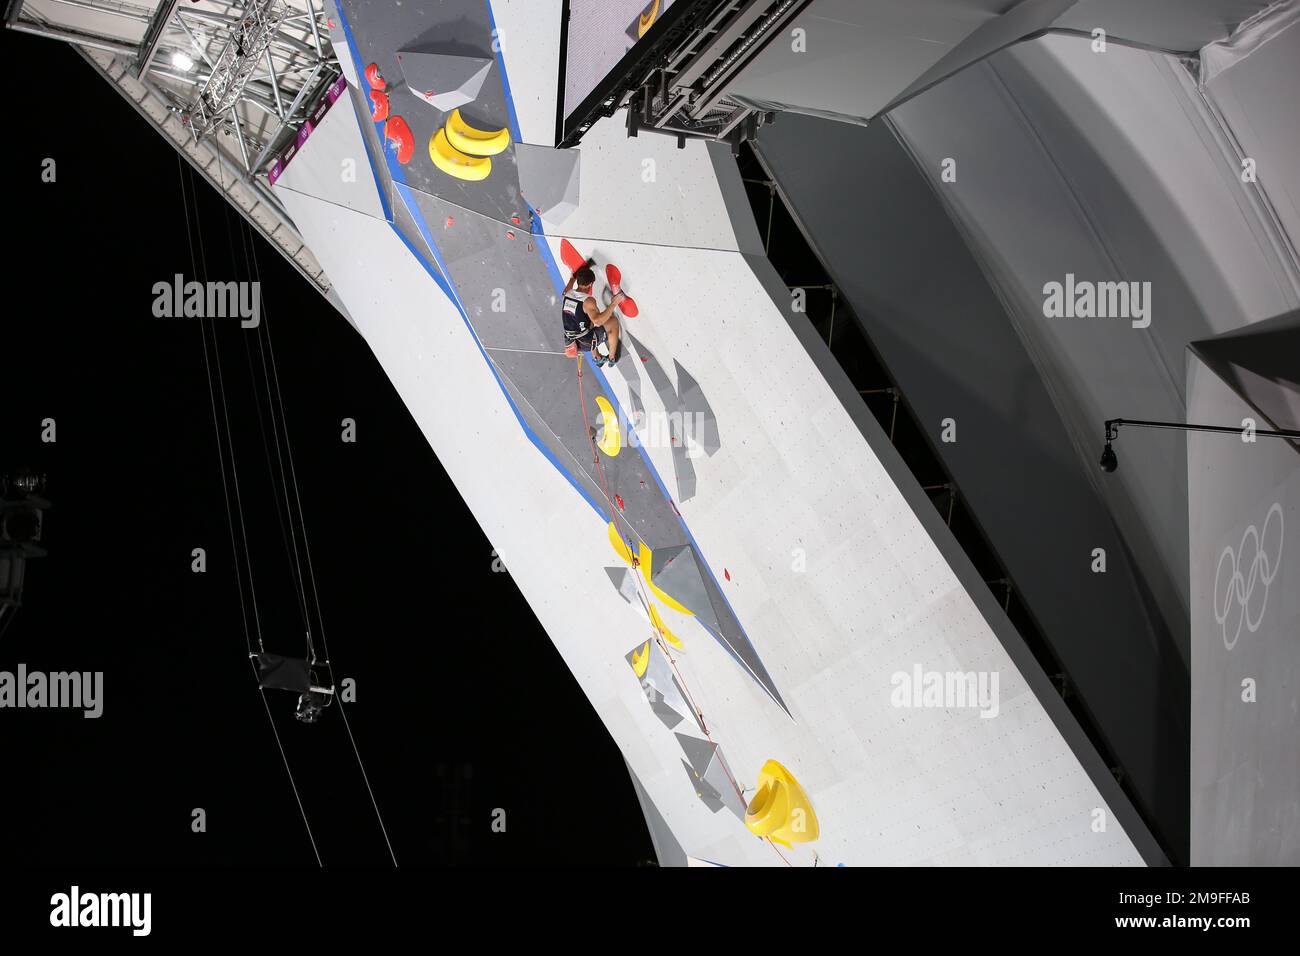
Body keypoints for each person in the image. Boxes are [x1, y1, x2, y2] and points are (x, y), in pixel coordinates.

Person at [562, 262, 626, 366]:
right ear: (590, 284)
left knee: (587, 322)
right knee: (613, 322)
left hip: (571, 340)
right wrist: (614, 303)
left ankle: (597, 357)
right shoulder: (588, 301)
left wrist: (575, 276)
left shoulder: (567, 293)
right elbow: (598, 320)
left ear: (578, 282)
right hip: (585, 342)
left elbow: (571, 281)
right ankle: (612, 357)